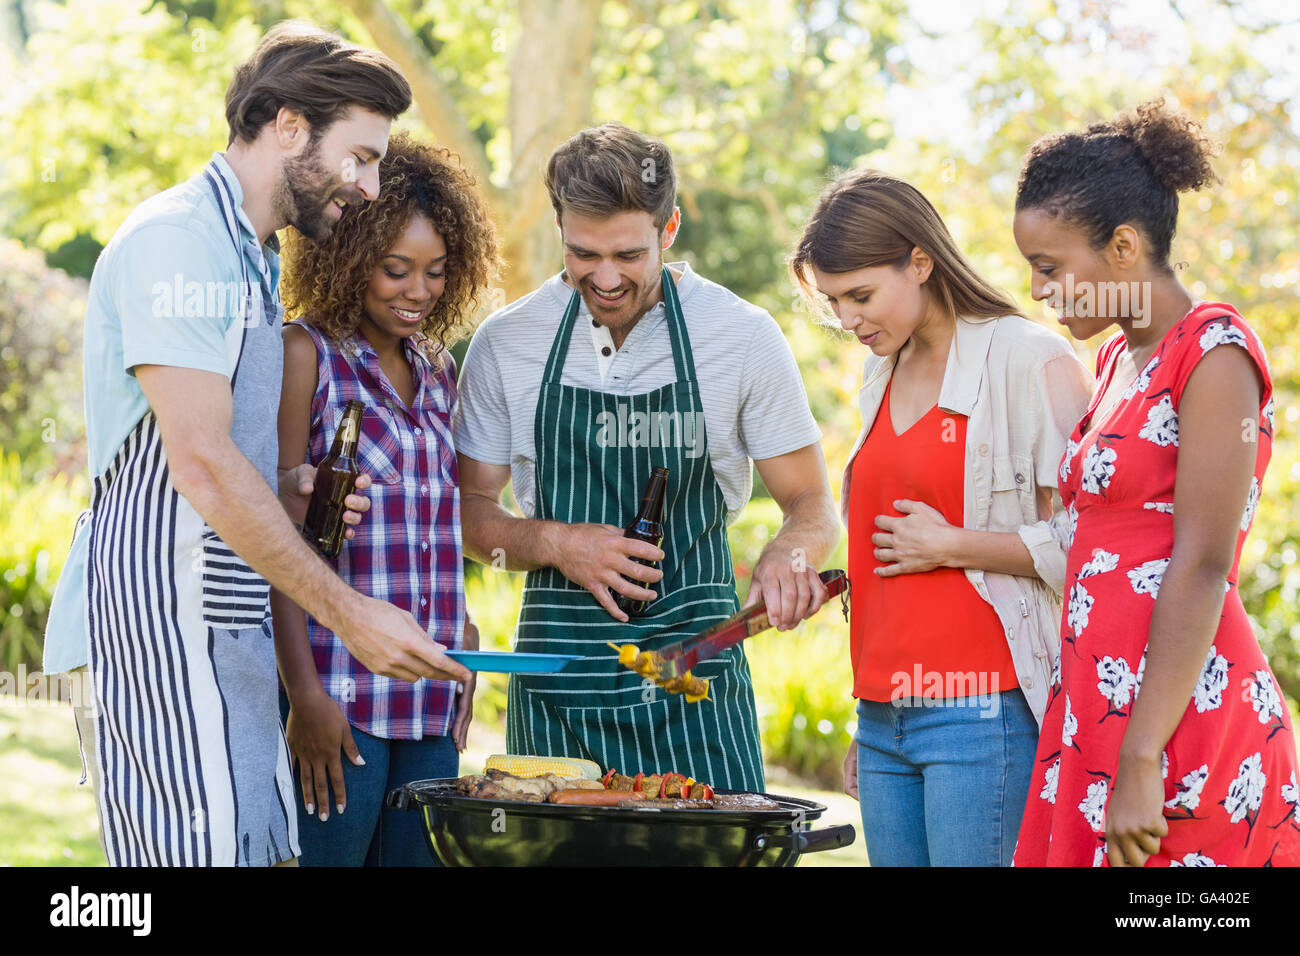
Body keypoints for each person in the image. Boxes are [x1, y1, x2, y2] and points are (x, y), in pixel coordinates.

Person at [40, 21, 469, 867]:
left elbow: (235, 462)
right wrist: (348, 614)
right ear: (286, 126)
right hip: (162, 621)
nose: (369, 185)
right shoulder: (179, 239)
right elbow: (198, 462)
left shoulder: (250, 256)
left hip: (228, 626)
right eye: (360, 156)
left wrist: (293, 485)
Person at [452, 123, 840, 792]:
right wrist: (553, 540)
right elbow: (467, 513)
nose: (604, 279)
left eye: (628, 255)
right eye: (583, 253)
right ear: (558, 228)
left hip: (698, 688)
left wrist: (790, 554)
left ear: (670, 229)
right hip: (557, 694)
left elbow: (811, 504)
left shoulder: (741, 337)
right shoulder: (507, 342)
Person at [1010, 100, 1300, 867]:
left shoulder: (1215, 353)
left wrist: (1140, 759)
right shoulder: (1114, 364)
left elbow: (1204, 564)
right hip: (1096, 713)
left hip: (1178, 724)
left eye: (1049, 266)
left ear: (1125, 246)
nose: (1038, 289)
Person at [790, 168, 1093, 866]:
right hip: (883, 717)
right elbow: (887, 555)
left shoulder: (1027, 356)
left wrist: (956, 544)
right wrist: (868, 717)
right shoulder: (881, 371)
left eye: (861, 295)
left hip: (983, 716)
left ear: (920, 261)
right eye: (835, 302)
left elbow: (1094, 544)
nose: (848, 320)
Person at [273, 131, 500, 865]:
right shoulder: (305, 355)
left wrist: (461, 641)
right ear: (348, 255)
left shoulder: (438, 370)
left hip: (430, 692)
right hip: (338, 695)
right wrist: (303, 696)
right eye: (396, 270)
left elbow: (441, 522)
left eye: (436, 272)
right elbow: (275, 538)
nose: (419, 292)